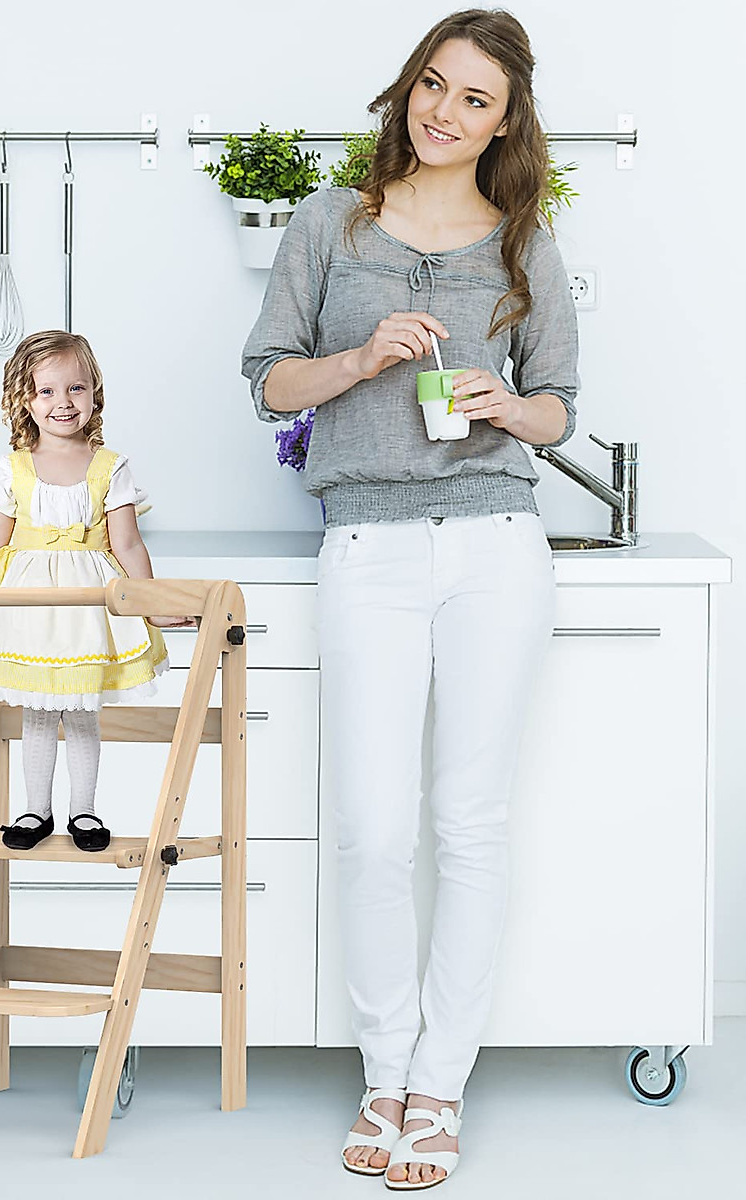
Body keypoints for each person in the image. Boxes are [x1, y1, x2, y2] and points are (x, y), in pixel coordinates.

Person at [242, 8, 578, 1190]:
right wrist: (366, 357)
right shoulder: (328, 223)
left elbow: (559, 410)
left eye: (474, 99)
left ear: (507, 120)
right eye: (433, 85)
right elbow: (268, 379)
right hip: (370, 548)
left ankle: (439, 1090)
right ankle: (384, 1074)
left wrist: (505, 403)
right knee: (375, 828)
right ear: (406, 88)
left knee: (467, 824)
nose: (443, 111)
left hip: (494, 543)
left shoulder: (524, 243)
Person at [0, 330, 189, 854]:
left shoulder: (111, 467)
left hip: (88, 609)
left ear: (94, 394)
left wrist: (152, 603)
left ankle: (84, 811)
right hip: (30, 609)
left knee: (81, 710)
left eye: (76, 389)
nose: (63, 403)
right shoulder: (12, 468)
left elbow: (127, 543)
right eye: (47, 391)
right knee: (38, 711)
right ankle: (37, 809)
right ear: (25, 400)